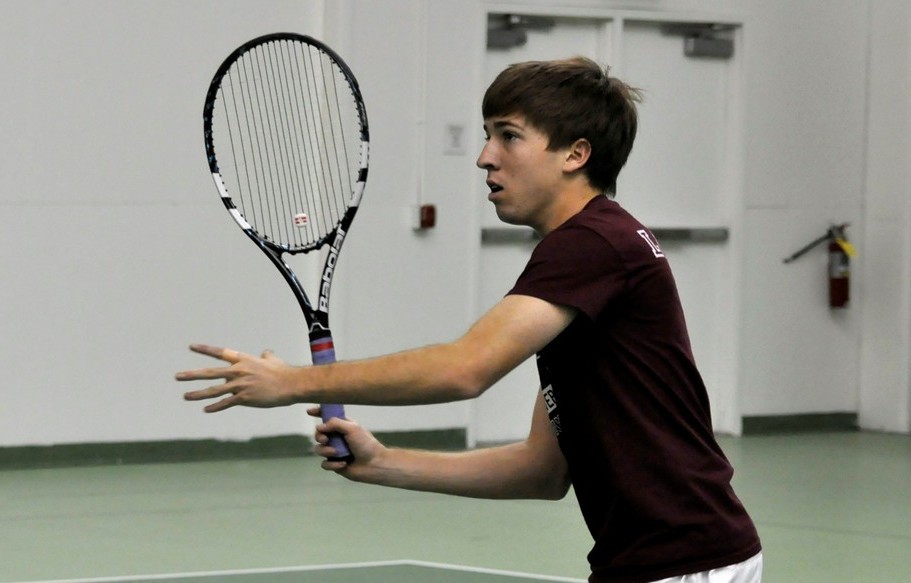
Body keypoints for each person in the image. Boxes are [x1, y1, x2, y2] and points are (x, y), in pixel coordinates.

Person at [177, 57, 762, 583]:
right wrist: (385, 464)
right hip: (670, 559)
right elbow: (543, 470)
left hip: (685, 565)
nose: (485, 156)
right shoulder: (588, 255)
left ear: (575, 154)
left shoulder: (592, 245)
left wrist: (294, 384)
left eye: (509, 136)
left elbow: (465, 369)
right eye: (487, 135)